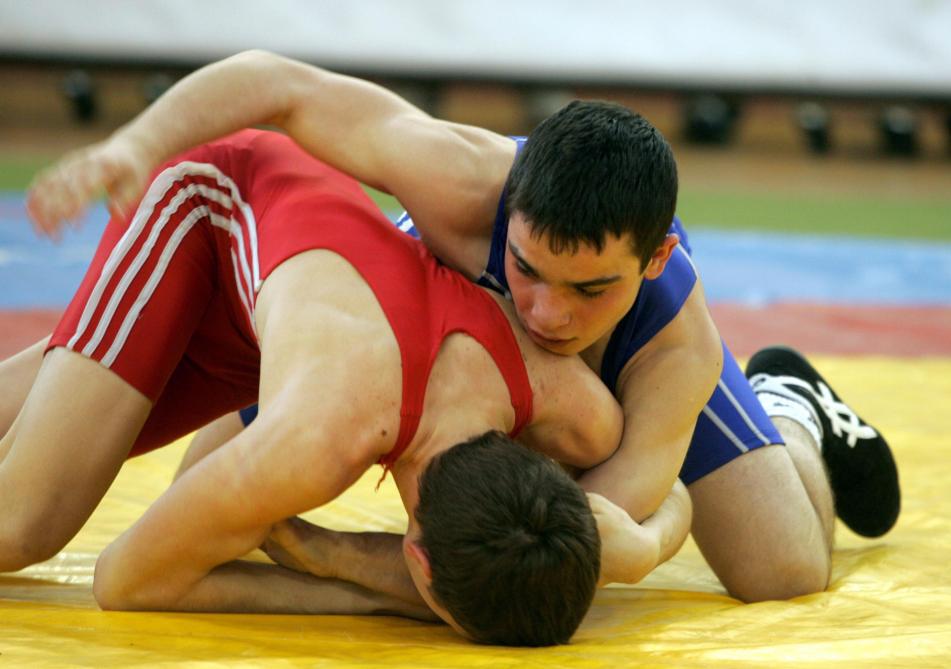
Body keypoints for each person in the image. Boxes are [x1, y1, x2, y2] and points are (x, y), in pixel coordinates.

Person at [26, 50, 899, 602]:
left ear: (657, 260)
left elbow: (564, 556)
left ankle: (792, 408)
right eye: (524, 271)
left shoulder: (671, 348)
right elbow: (278, 86)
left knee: (781, 569)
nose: (549, 314)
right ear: (505, 213)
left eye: (589, 288)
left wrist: (336, 557)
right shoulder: (457, 180)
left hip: (601, 369)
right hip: (398, 321)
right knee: (204, 465)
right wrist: (133, 146)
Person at [1, 128, 697, 646]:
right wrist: (359, 591)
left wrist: (645, 545)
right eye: (421, 600)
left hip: (295, 300)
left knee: (55, 428)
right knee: (22, 525)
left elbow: (672, 491)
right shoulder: (316, 439)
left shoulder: (574, 409)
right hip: (210, 212)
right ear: (415, 557)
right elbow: (123, 580)